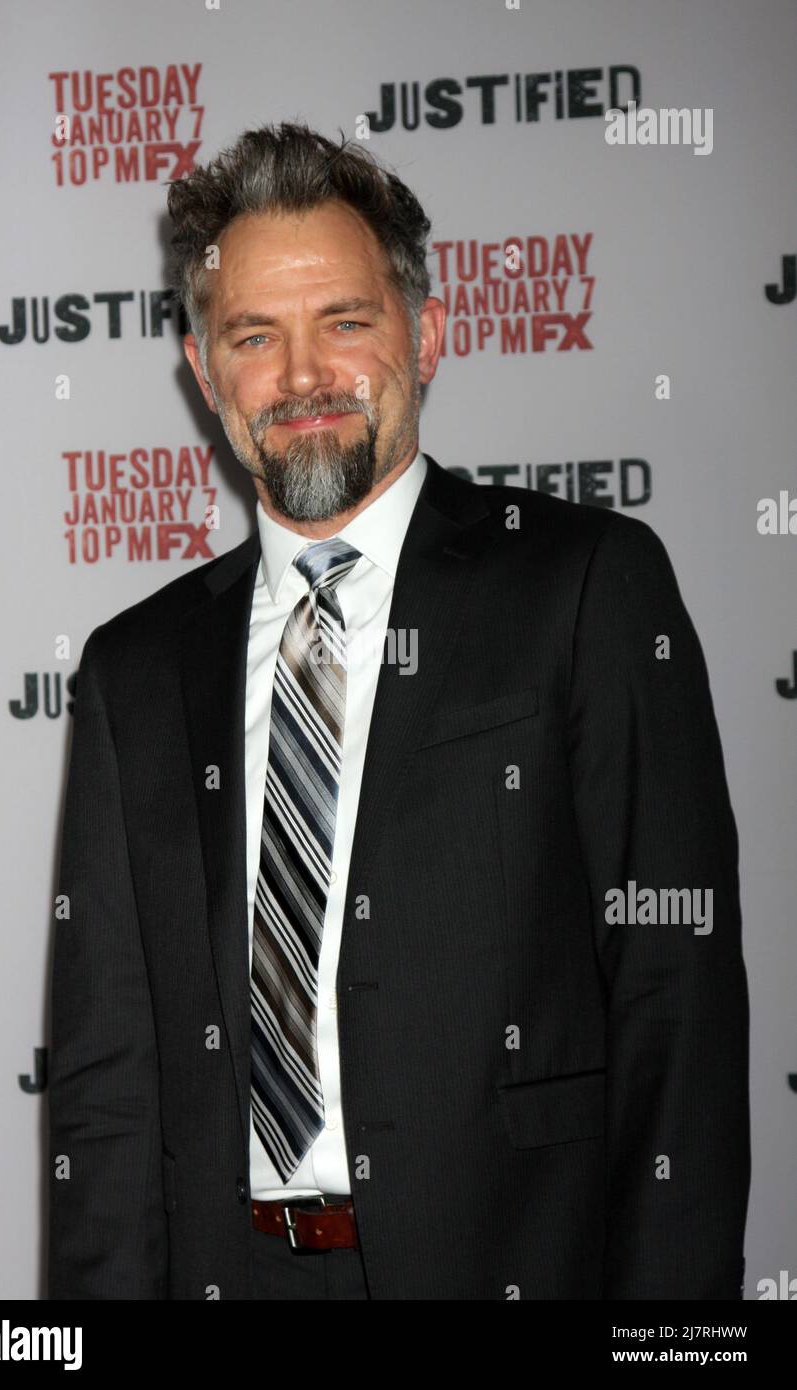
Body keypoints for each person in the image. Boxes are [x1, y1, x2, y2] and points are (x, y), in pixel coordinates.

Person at [47, 121, 750, 1300]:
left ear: (427, 335)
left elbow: (671, 1011)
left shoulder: (582, 585)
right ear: (204, 370)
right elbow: (107, 1089)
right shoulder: (135, 671)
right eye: (253, 336)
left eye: (345, 322)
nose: (303, 376)